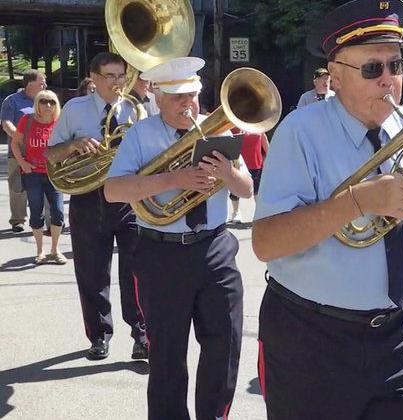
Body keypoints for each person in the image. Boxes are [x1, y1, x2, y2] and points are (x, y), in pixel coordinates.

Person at [252, 0, 403, 417]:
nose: (388, 81)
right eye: (372, 69)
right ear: (336, 77)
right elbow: (265, 242)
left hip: (400, 333)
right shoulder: (301, 130)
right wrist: (360, 200)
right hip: (313, 339)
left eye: (396, 67)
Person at [105, 56, 251, 420]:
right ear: (157, 97)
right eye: (178, 98)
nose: (188, 105)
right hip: (162, 254)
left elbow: (247, 190)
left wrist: (227, 174)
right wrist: (175, 179)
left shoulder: (217, 130)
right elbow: (113, 190)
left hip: (215, 248)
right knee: (167, 354)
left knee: (225, 345)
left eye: (193, 95)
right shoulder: (141, 133)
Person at [45, 52, 147, 361]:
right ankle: (100, 335)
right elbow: (52, 154)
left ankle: (142, 334)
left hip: (129, 200)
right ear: (94, 78)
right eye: (110, 76)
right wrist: (74, 145)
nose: (117, 83)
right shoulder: (75, 110)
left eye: (121, 76)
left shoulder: (136, 109)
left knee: (138, 271)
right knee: (91, 272)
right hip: (89, 200)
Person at [10, 89, 66, 264]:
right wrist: (23, 163)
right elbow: (15, 143)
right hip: (33, 174)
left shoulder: (60, 122)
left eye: (52, 102)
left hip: (54, 175)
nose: (48, 105)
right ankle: (40, 251)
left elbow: (69, 146)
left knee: (57, 212)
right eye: (43, 101)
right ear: (37, 104)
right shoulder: (27, 120)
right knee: (36, 212)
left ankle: (55, 250)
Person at [2, 69, 47, 232]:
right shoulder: (12, 101)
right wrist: (19, 137)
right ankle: (18, 220)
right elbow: (6, 122)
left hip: (43, 153)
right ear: (30, 84)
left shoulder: (46, 100)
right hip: (18, 152)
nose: (45, 85)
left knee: (46, 187)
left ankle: (51, 222)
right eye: (41, 82)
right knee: (17, 187)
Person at [229, 129, 268, 223]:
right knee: (235, 191)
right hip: (239, 165)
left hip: (256, 164)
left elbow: (265, 144)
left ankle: (259, 213)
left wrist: (269, 159)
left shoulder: (259, 128)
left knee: (257, 191)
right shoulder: (233, 128)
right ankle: (236, 212)